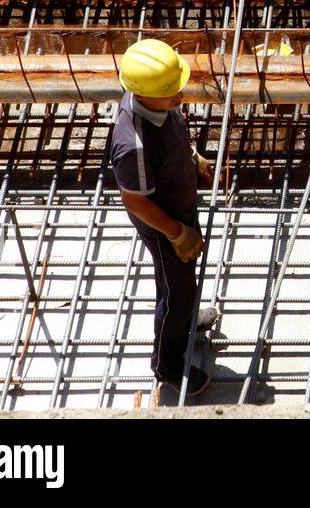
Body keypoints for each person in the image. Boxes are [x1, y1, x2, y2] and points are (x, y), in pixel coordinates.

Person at [110, 38, 218, 399]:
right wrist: (176, 233)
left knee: (182, 282)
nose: (180, 96)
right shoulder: (133, 144)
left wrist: (191, 158)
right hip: (164, 224)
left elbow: (174, 132)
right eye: (171, 92)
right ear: (142, 95)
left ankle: (185, 318)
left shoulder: (159, 100)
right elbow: (135, 201)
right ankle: (167, 364)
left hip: (179, 209)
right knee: (176, 289)